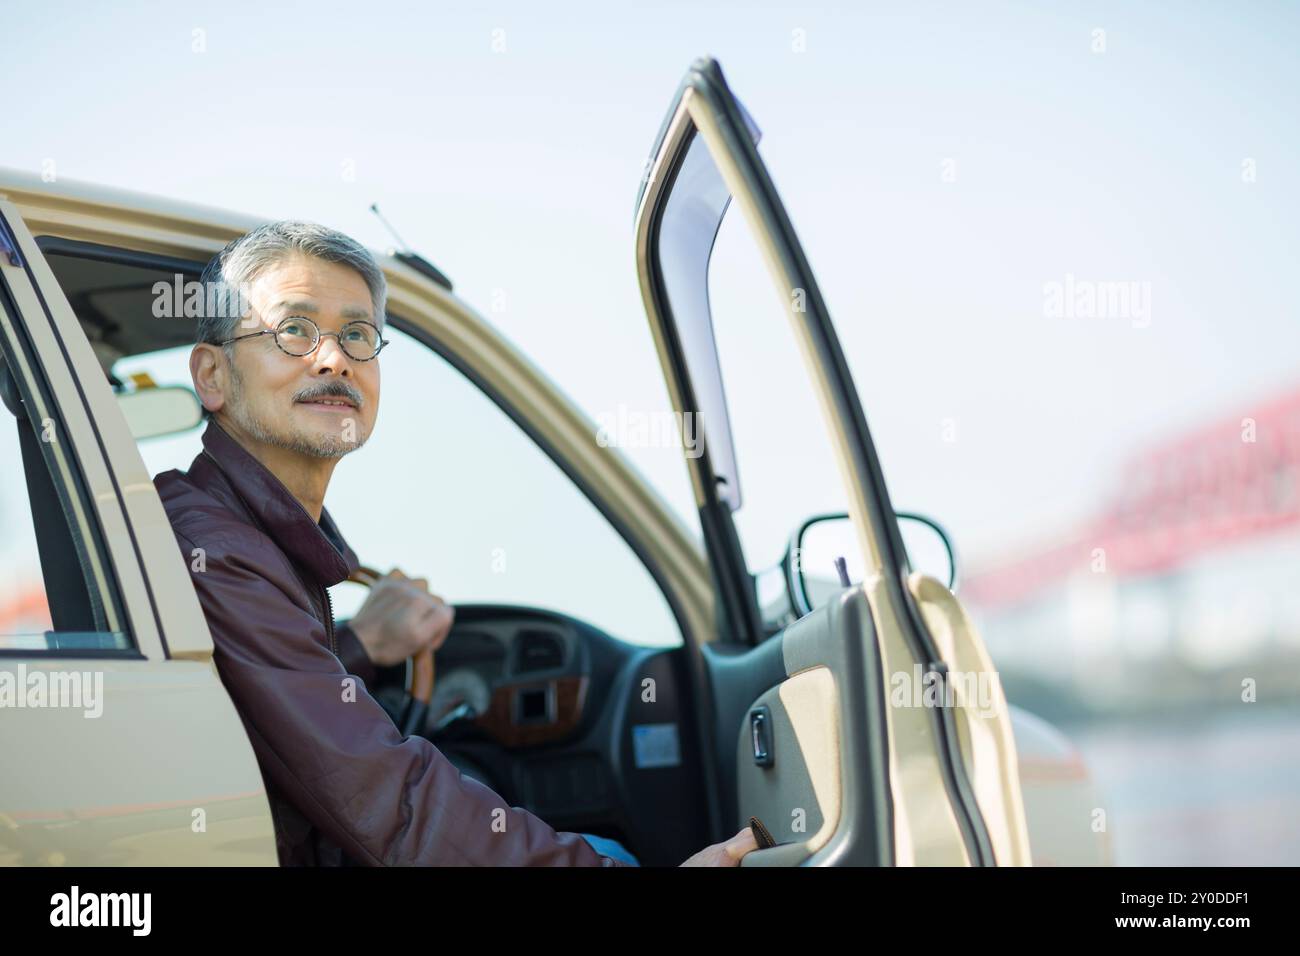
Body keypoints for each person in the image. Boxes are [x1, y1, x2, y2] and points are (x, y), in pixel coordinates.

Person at [155, 220, 757, 867]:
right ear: (212, 376)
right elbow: (389, 801)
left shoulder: (242, 536)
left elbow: (271, 715)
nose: (333, 359)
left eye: (358, 335)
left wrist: (362, 647)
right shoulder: (214, 548)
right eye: (294, 330)